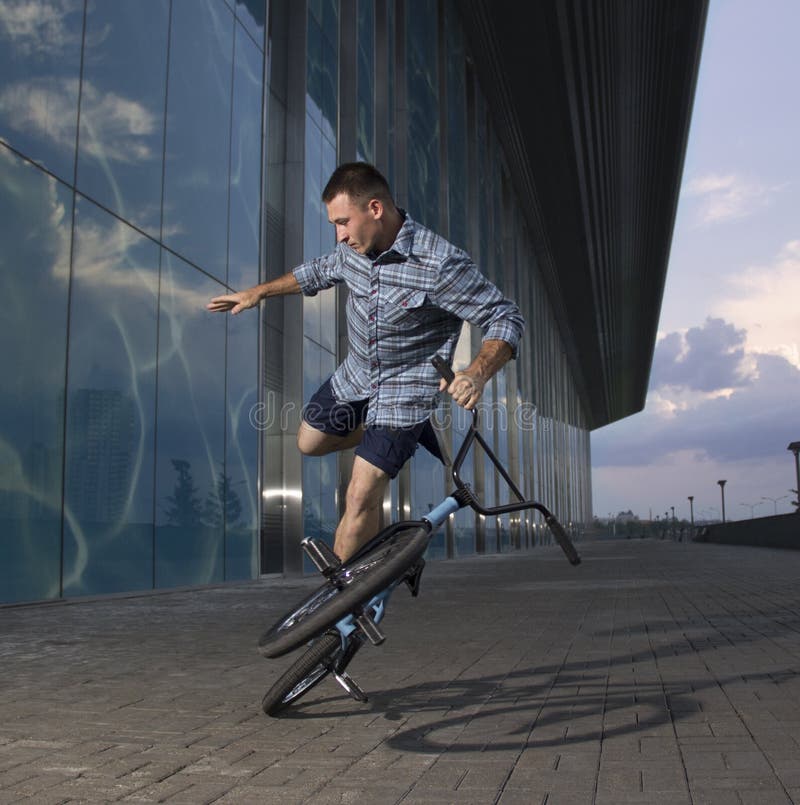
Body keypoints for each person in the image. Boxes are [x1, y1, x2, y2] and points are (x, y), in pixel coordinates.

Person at [208, 162, 524, 560]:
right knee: (308, 442)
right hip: (356, 375)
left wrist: (477, 373)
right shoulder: (351, 250)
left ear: (375, 209)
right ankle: (399, 438)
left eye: (343, 222)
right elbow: (318, 272)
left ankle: (341, 604)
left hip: (404, 391)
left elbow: (505, 316)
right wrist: (259, 292)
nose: (339, 235)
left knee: (360, 495)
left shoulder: (440, 265)